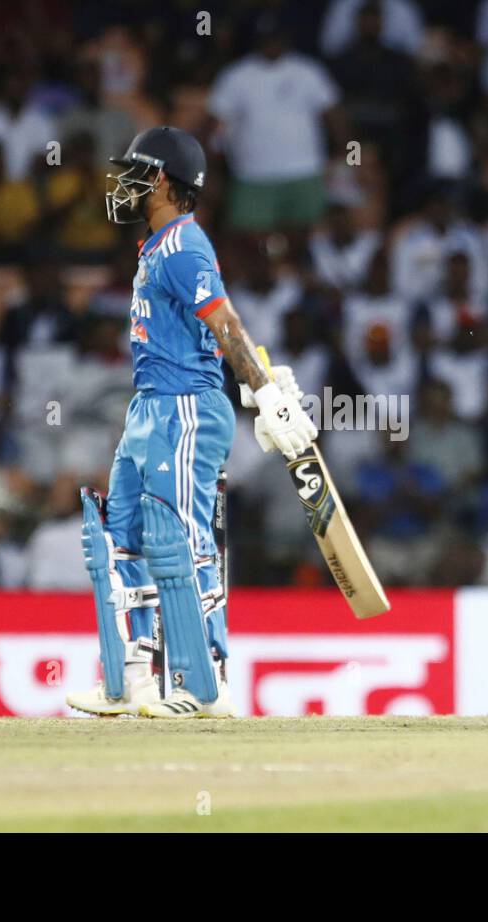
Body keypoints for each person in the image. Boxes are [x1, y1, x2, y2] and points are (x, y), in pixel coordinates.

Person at [66, 126, 316, 719]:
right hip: (150, 404)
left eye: (132, 174)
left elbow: (226, 322)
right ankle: (134, 678)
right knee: (121, 536)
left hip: (185, 407)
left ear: (159, 180)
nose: (120, 187)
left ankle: (211, 682)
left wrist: (267, 395)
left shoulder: (183, 246)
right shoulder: (156, 245)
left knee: (184, 542)